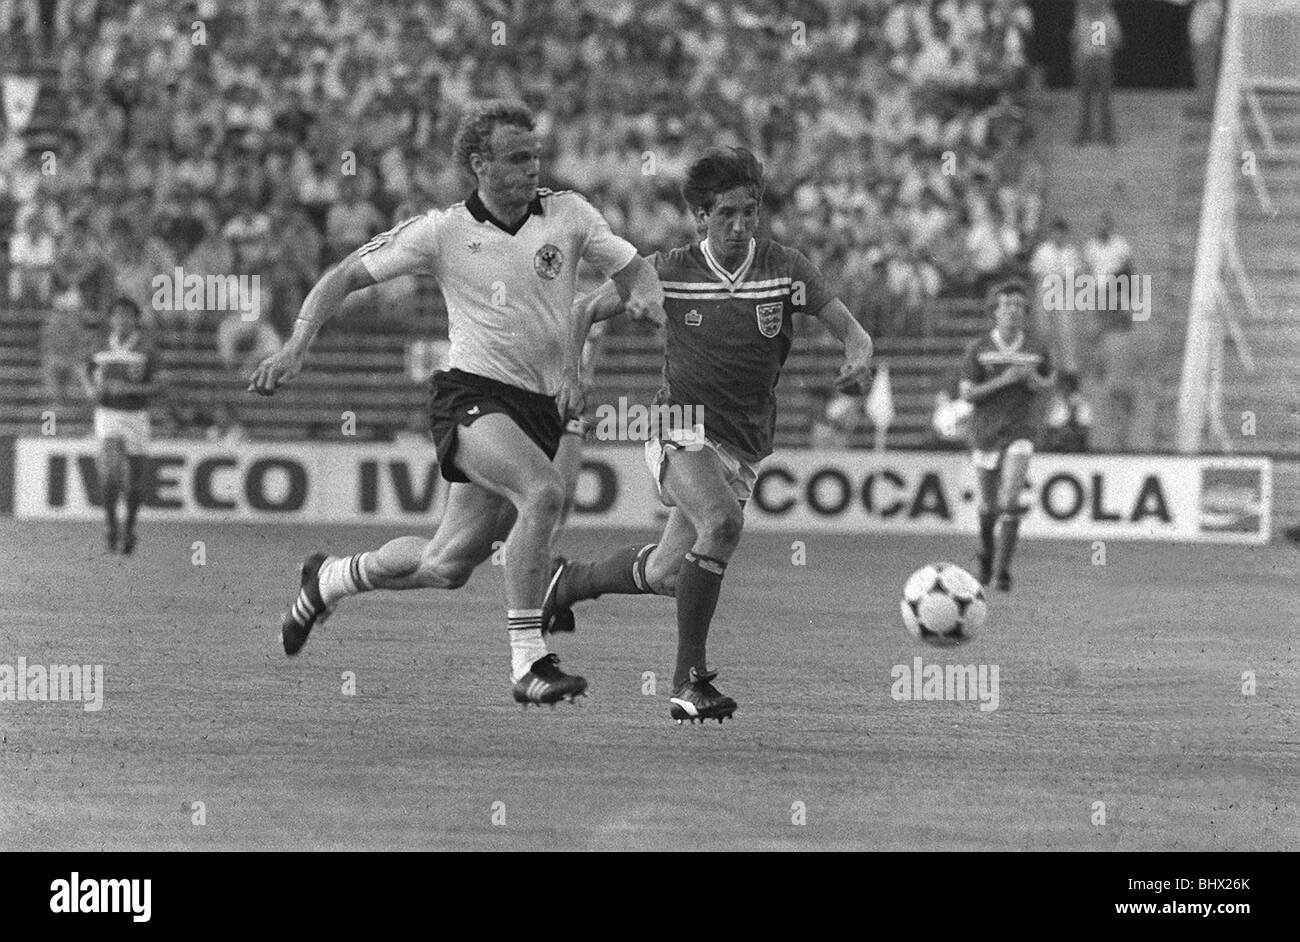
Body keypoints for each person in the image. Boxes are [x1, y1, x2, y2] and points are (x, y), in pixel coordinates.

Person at [247, 100, 665, 707]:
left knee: (446, 565)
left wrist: (645, 297)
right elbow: (343, 275)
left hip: (539, 410)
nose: (532, 168)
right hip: (471, 397)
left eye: (535, 155)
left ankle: (328, 579)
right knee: (545, 493)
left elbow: (634, 270)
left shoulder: (570, 215)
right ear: (480, 165)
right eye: (517, 158)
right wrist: (294, 346)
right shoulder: (442, 232)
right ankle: (529, 663)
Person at [541, 147, 874, 725]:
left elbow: (854, 332)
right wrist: (571, 376)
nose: (741, 226)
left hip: (742, 445)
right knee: (722, 525)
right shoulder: (666, 271)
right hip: (676, 425)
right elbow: (581, 311)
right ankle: (687, 682)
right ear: (699, 216)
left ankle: (568, 583)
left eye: (750, 212)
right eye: (726, 214)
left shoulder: (786, 269)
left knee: (669, 573)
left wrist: (858, 356)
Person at [959, 279, 1055, 591]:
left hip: (1020, 430)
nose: (1012, 311)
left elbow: (1048, 383)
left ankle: (1003, 570)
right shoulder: (979, 349)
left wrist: (1034, 383)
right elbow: (968, 394)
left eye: (1018, 306)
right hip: (986, 432)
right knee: (988, 507)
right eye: (1006, 305)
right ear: (995, 312)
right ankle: (986, 554)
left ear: (1025, 312)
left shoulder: (1037, 348)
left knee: (1010, 497)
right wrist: (1006, 380)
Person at [81, 297, 163, 555]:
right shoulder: (100, 345)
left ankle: (129, 528)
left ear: (136, 319)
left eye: (127, 315)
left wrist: (130, 388)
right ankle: (109, 524)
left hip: (136, 415)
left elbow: (160, 386)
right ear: (110, 319)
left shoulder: (146, 350)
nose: (122, 320)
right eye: (117, 315)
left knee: (135, 481)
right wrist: (91, 390)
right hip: (108, 414)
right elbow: (84, 371)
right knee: (110, 472)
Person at [1073, 0, 1121, 146]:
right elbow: (1076, 39)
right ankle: (1083, 133)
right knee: (1085, 99)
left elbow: (1118, 40)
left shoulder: (1108, 17)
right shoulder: (1081, 17)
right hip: (1085, 61)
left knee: (1105, 99)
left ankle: (1108, 134)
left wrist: (1108, 36)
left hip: (1102, 60)